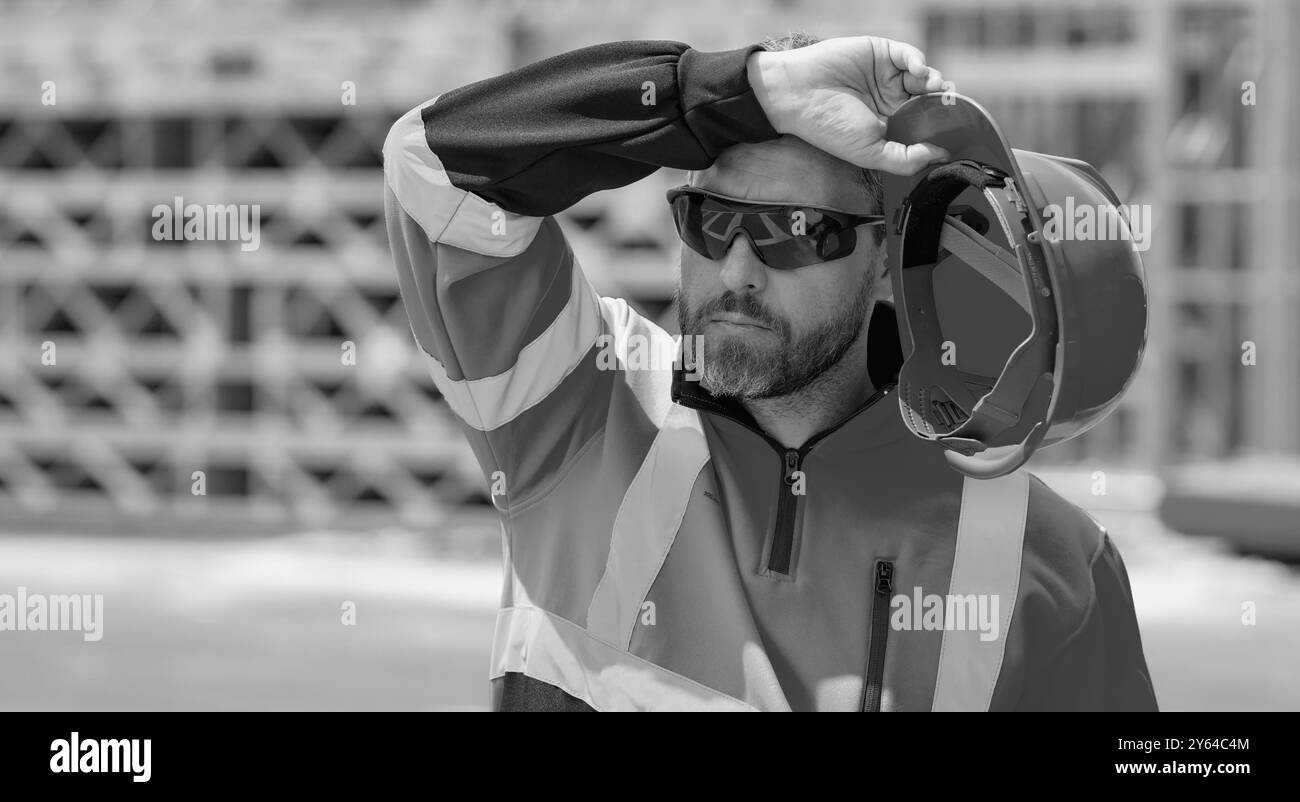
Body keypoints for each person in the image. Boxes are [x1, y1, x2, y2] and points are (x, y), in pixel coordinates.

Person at [382, 31, 1159, 711]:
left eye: (795, 231)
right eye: (710, 222)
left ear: (890, 264)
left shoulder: (1049, 559)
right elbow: (431, 168)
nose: (738, 271)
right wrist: (742, 91)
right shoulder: (582, 401)